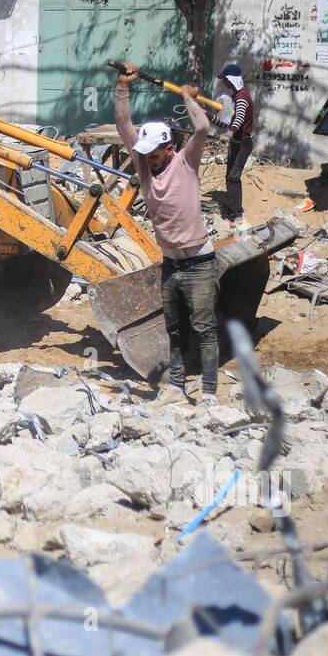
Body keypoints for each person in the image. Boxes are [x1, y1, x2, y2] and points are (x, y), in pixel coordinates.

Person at [115, 64, 219, 406]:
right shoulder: (144, 168)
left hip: (200, 262)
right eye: (145, 154)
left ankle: (209, 394)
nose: (149, 159)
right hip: (171, 264)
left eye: (154, 154)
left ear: (170, 148)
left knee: (204, 329)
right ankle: (176, 388)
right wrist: (123, 87)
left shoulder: (186, 162)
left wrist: (189, 98)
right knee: (174, 329)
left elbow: (202, 127)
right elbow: (123, 126)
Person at [218, 63, 254, 222]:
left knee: (233, 177)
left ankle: (236, 213)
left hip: (243, 144)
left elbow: (239, 117)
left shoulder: (242, 97)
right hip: (236, 143)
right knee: (230, 177)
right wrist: (207, 115)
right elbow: (227, 123)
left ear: (230, 80)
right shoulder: (235, 97)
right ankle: (233, 208)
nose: (223, 83)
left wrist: (230, 133)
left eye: (224, 79)